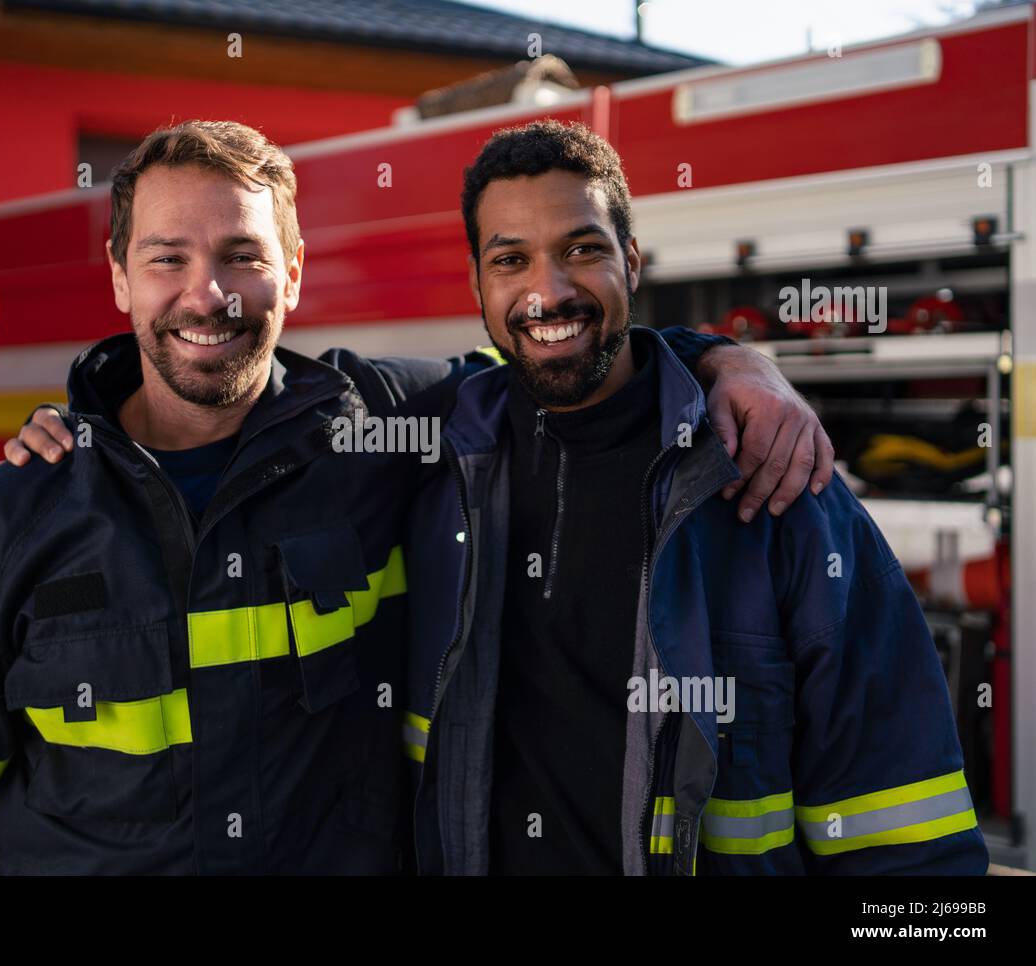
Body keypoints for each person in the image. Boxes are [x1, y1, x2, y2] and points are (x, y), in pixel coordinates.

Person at [0, 120, 826, 874]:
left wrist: (731, 363)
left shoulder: (385, 428)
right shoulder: (4, 521)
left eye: (243, 256)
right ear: (118, 279)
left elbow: (561, 348)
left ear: (295, 273)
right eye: (167, 259)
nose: (207, 295)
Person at [399, 120, 988, 875]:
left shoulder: (777, 486)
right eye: (511, 259)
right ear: (478, 284)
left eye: (583, 250)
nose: (548, 291)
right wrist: (722, 355)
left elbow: (912, 839)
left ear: (632, 261)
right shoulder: (428, 470)